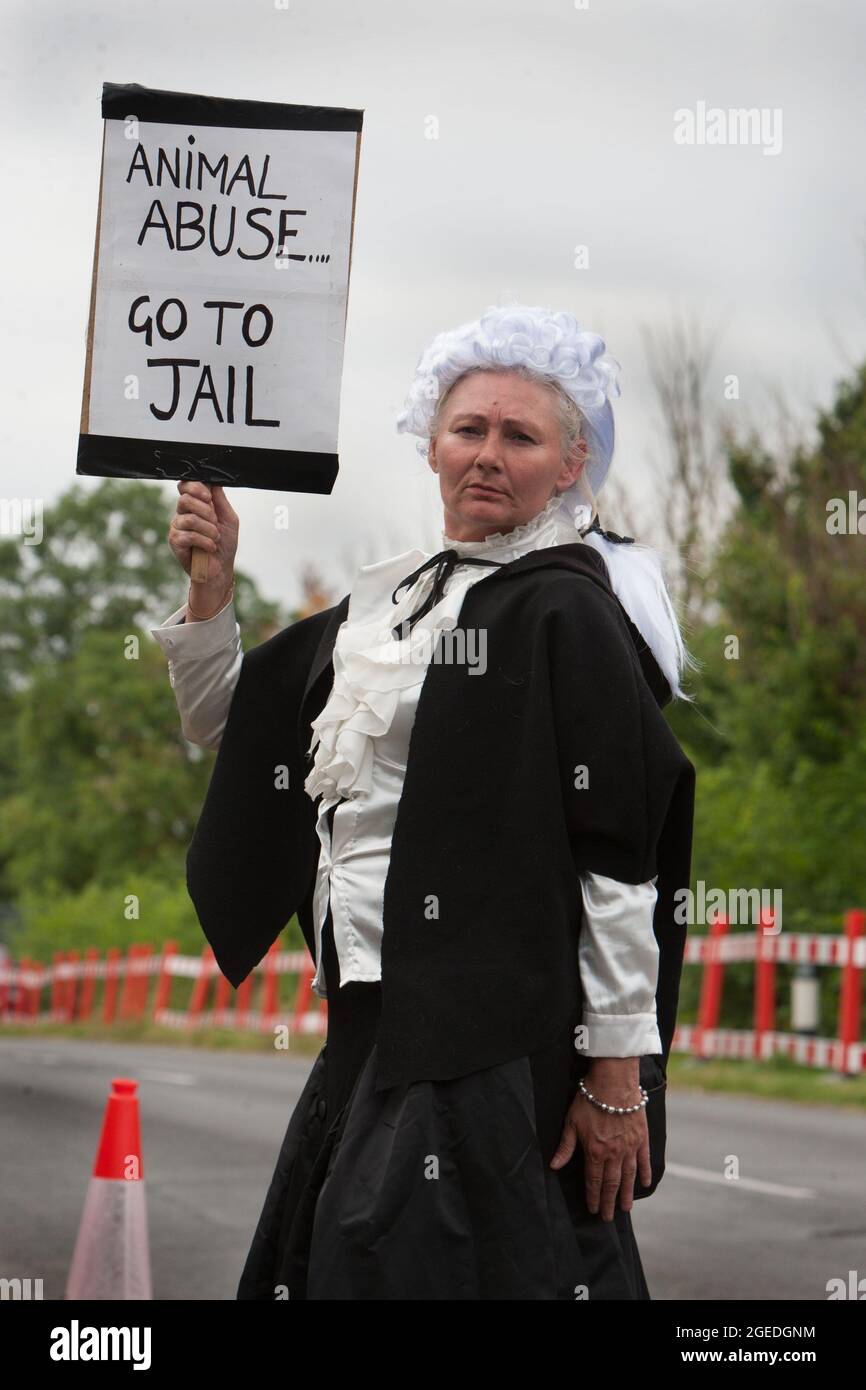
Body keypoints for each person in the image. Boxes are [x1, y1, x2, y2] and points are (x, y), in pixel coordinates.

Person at [151, 303, 697, 1301]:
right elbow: (226, 722)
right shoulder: (384, 601)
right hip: (369, 1030)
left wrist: (617, 1075)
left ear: (569, 463)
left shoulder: (562, 607)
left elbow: (618, 857)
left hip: (488, 1039)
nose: (487, 455)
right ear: (432, 445)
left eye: (519, 436)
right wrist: (212, 588)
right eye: (468, 430)